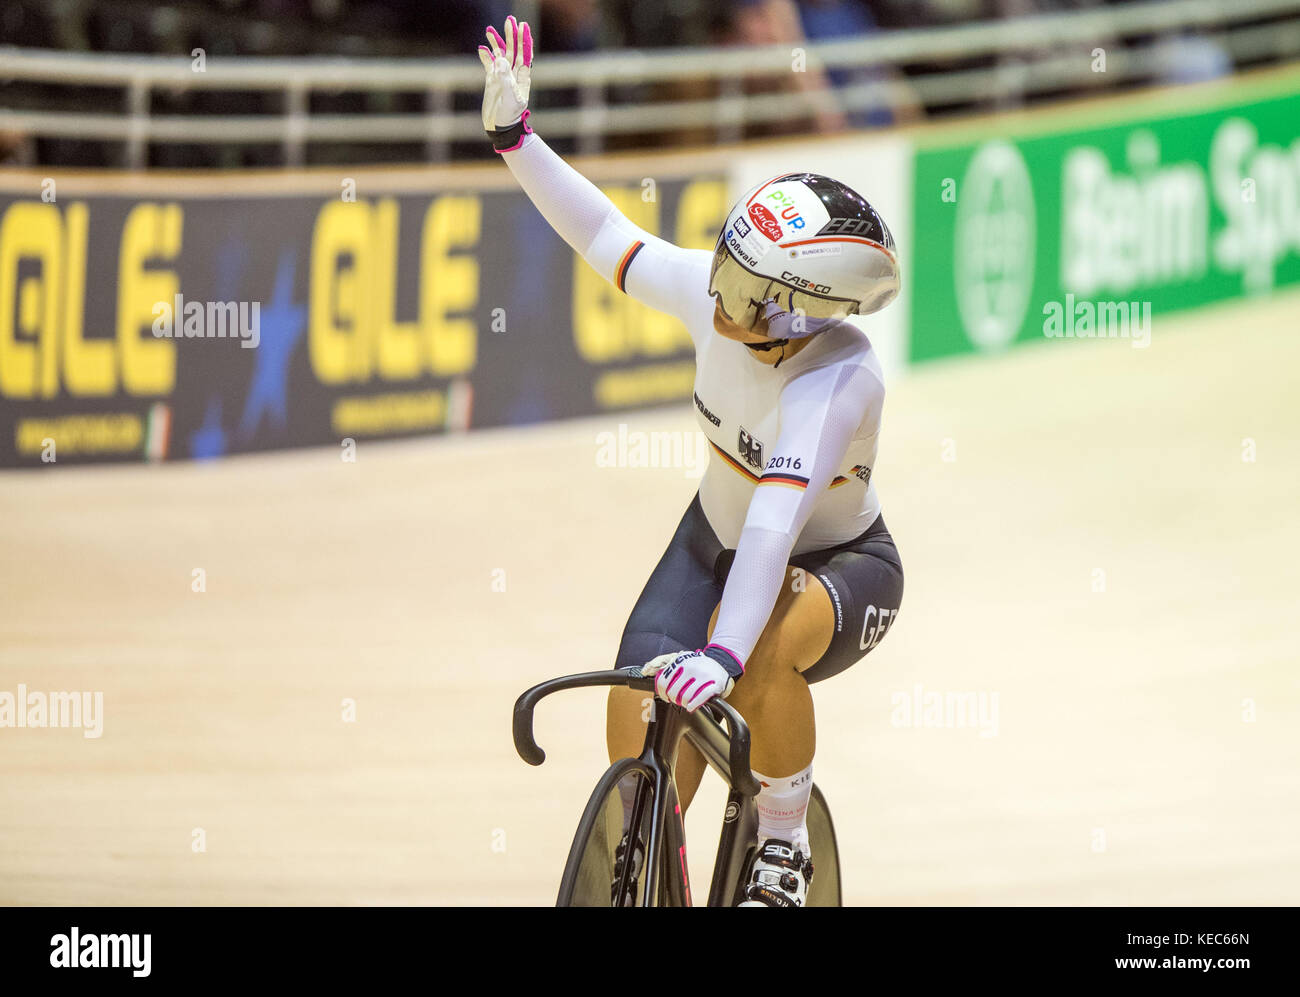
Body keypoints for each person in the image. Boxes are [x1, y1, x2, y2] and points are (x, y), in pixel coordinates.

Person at [479, 16, 904, 907]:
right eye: (727, 265)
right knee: (638, 725)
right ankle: (660, 855)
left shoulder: (839, 381)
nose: (720, 296)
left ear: (806, 314)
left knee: (756, 660)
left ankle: (783, 842)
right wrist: (516, 140)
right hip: (713, 538)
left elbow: (777, 524)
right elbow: (605, 237)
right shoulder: (715, 293)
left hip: (837, 566)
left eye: (751, 291)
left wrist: (719, 649)